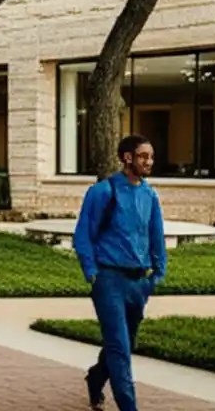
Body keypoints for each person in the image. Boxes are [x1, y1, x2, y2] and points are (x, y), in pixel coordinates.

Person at [72, 135, 167, 411]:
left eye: (150, 156)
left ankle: (96, 378)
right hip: (109, 279)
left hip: (139, 282)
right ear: (127, 158)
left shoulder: (150, 195)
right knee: (119, 348)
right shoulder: (103, 191)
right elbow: (83, 236)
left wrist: (156, 276)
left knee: (125, 344)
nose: (149, 161)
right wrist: (92, 273)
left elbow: (156, 235)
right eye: (142, 156)